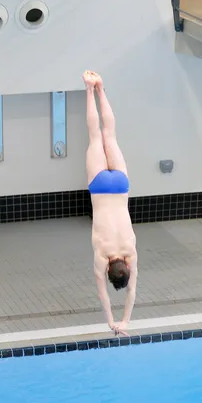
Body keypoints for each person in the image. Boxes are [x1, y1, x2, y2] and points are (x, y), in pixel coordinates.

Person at [84, 70, 137, 335]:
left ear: (126, 266)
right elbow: (102, 294)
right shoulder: (101, 253)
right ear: (109, 269)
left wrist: (126, 319)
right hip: (100, 188)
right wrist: (112, 321)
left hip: (120, 186)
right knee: (95, 136)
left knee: (110, 135)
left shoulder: (130, 251)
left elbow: (133, 290)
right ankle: (88, 88)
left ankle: (101, 87)